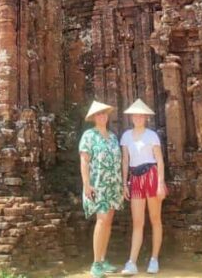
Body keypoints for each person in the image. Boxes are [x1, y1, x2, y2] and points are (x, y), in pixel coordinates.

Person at [120, 98, 166, 275]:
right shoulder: (126, 136)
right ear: (131, 117)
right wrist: (124, 183)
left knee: (155, 219)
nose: (138, 118)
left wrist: (160, 183)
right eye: (135, 115)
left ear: (146, 117)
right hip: (135, 178)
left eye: (141, 115)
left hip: (152, 176)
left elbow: (159, 160)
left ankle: (154, 259)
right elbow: (125, 161)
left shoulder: (151, 135)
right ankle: (132, 262)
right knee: (137, 222)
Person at [79, 100, 124, 278]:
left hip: (113, 184)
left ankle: (103, 259)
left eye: (104, 113)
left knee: (108, 220)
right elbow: (84, 161)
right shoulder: (89, 135)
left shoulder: (112, 137)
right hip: (97, 184)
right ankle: (96, 263)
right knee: (102, 219)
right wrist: (86, 184)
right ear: (93, 117)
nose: (102, 116)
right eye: (98, 114)